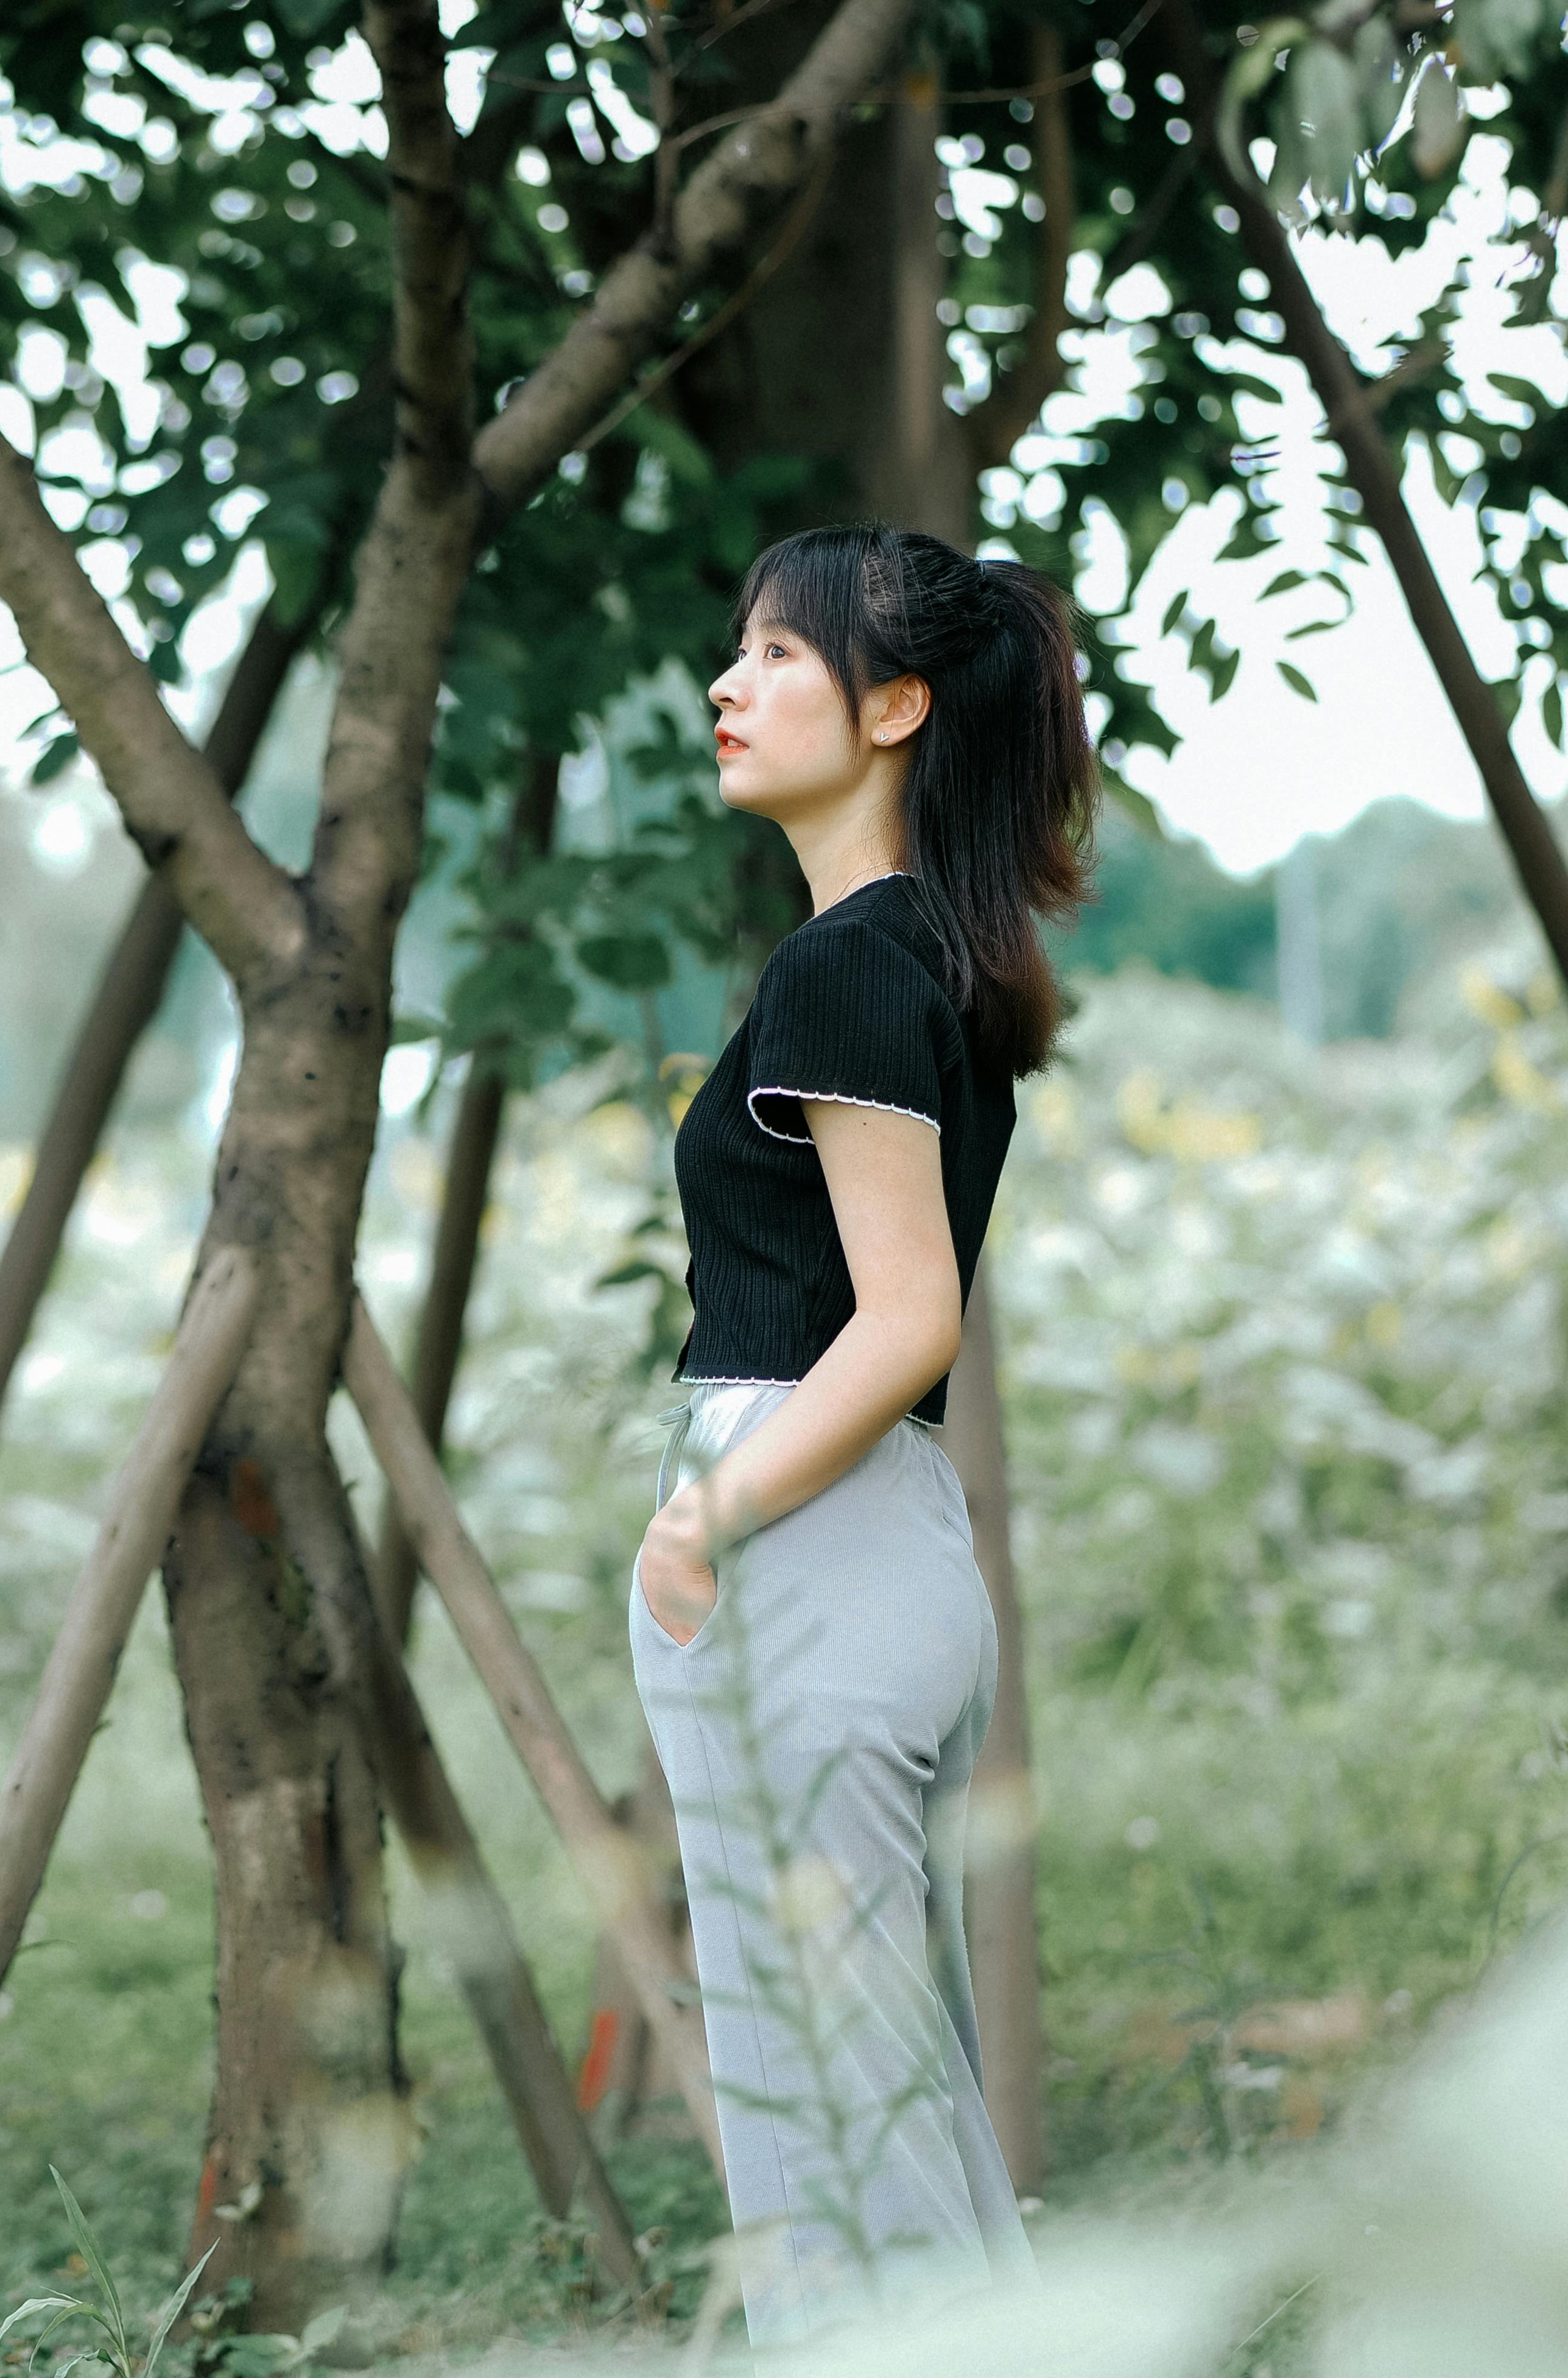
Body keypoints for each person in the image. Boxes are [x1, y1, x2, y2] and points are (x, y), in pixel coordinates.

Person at [630, 521, 1095, 2346]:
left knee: (839, 2160)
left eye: (778, 656)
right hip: (870, 1547)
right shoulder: (915, 956)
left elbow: (907, 1320)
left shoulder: (853, 966)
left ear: (895, 707)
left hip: (812, 1560)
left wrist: (704, 1519)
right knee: (889, 2127)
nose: (727, 686)